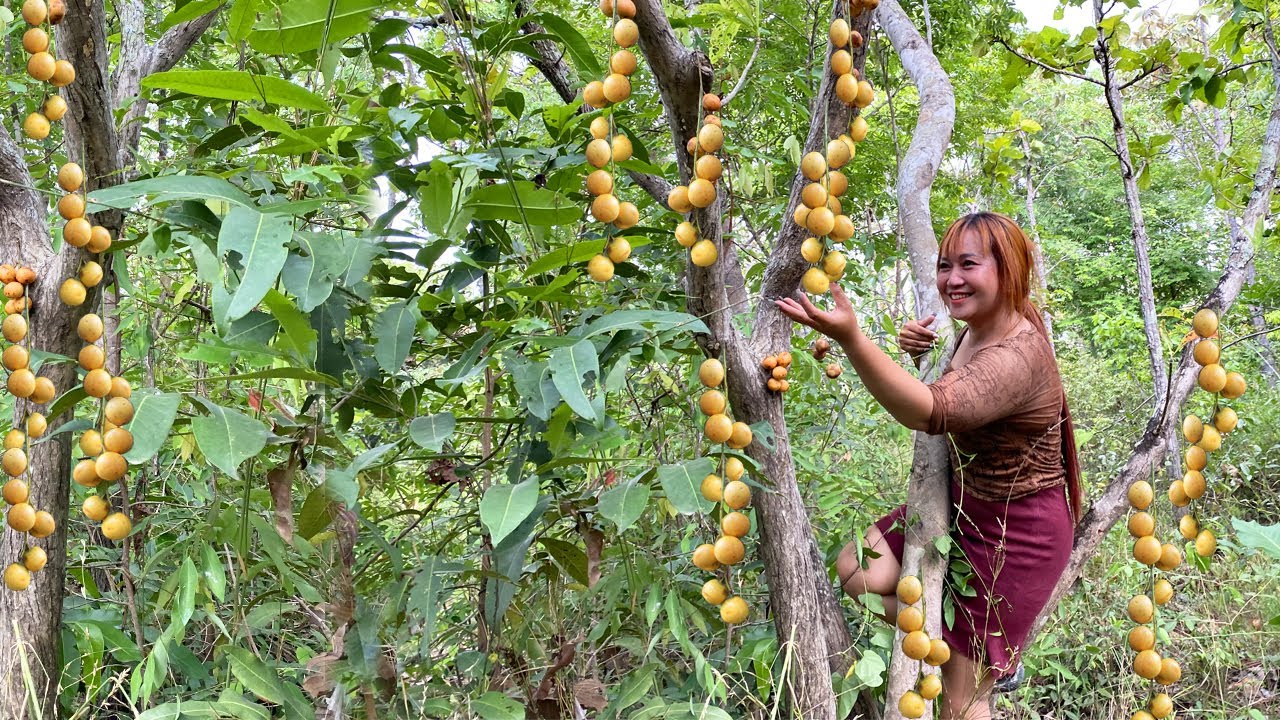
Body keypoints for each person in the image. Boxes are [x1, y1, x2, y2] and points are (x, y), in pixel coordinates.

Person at [775, 212, 1081, 720]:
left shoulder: (1019, 353)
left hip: (1019, 532)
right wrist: (926, 348)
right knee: (857, 569)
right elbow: (956, 383)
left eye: (968, 265)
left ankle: (982, 657)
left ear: (1009, 270)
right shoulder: (979, 326)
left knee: (960, 704)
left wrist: (853, 339)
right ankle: (974, 647)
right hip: (961, 506)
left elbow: (931, 409)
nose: (952, 279)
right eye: (944, 266)